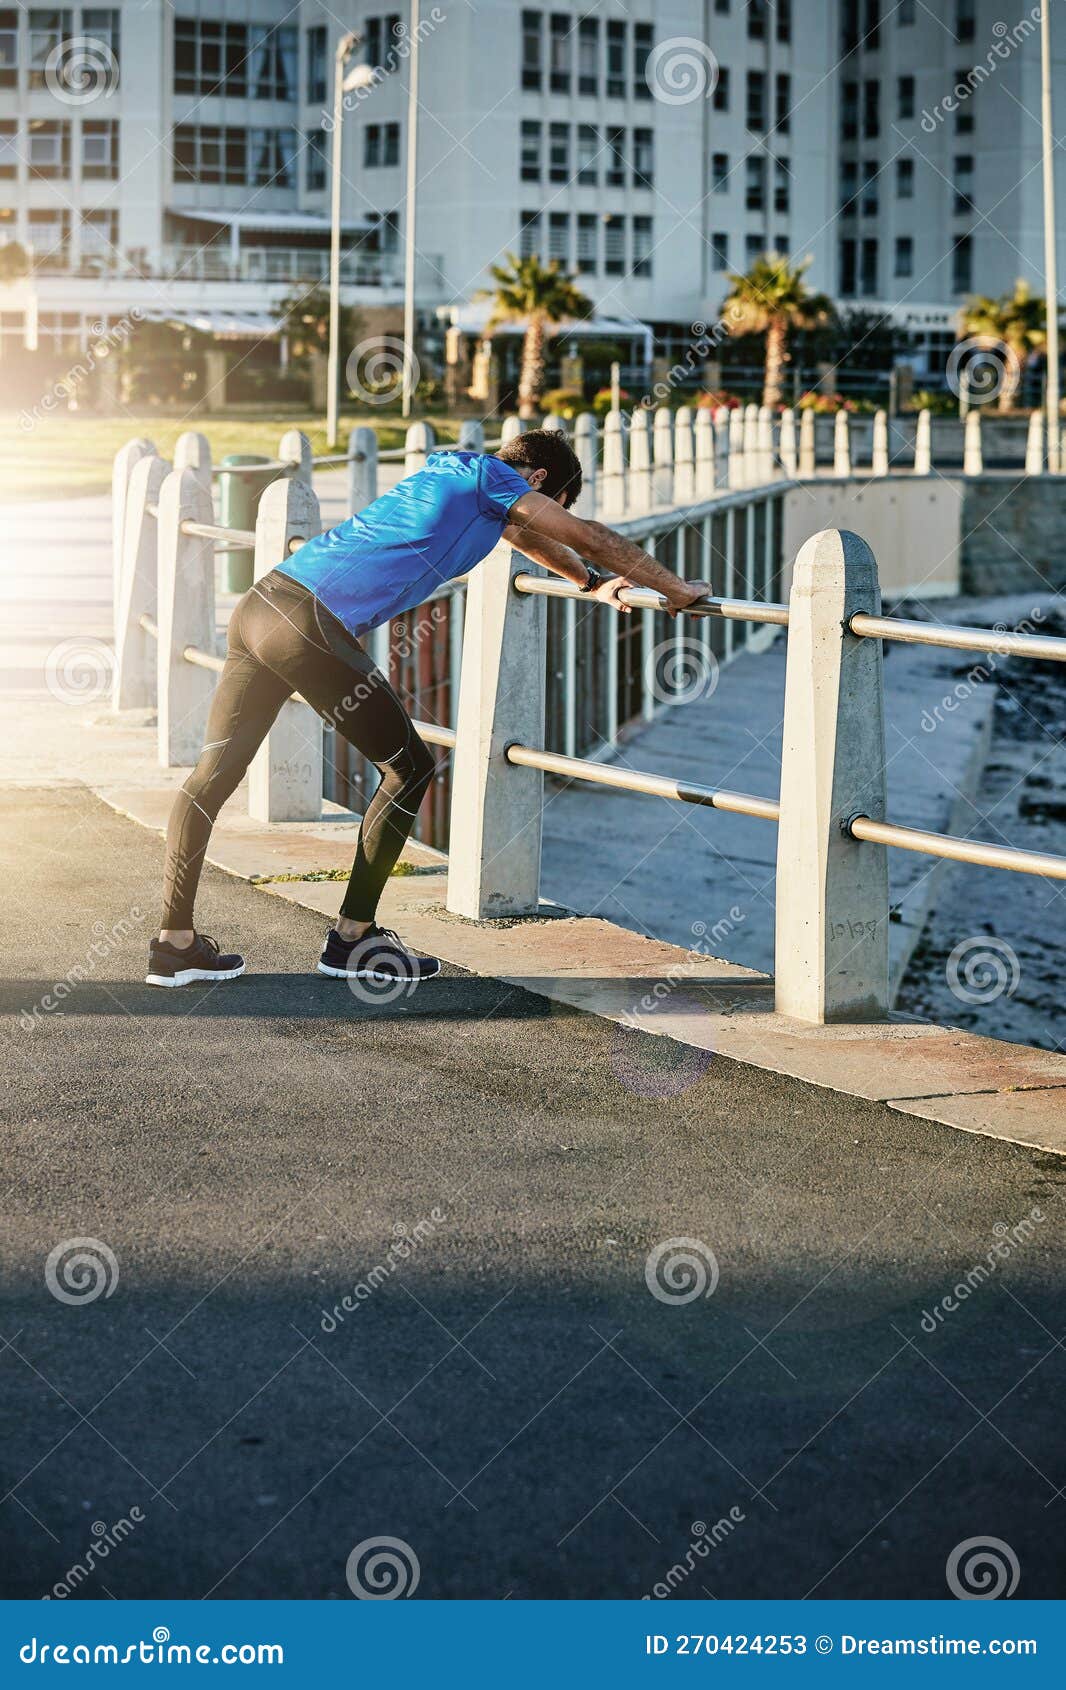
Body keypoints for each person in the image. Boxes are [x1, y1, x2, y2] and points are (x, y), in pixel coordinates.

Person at [146, 429, 708, 988]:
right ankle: (352, 938)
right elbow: (587, 534)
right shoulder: (495, 481)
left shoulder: (459, 473)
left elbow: (527, 536)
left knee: (212, 776)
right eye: (548, 504)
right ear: (536, 480)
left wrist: (589, 581)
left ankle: (174, 946)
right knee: (410, 766)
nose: (542, 516)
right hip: (309, 626)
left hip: (261, 606)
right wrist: (674, 588)